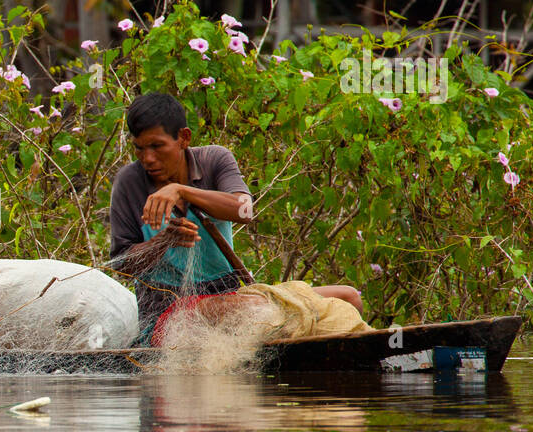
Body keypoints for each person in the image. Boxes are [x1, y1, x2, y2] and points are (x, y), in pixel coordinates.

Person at [109, 91, 362, 343]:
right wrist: (163, 241)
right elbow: (121, 264)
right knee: (255, 309)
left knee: (349, 297)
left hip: (234, 297)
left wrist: (182, 190)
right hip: (169, 314)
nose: (148, 159)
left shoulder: (214, 159)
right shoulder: (129, 183)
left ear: (184, 138)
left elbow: (244, 210)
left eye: (157, 146)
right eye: (139, 149)